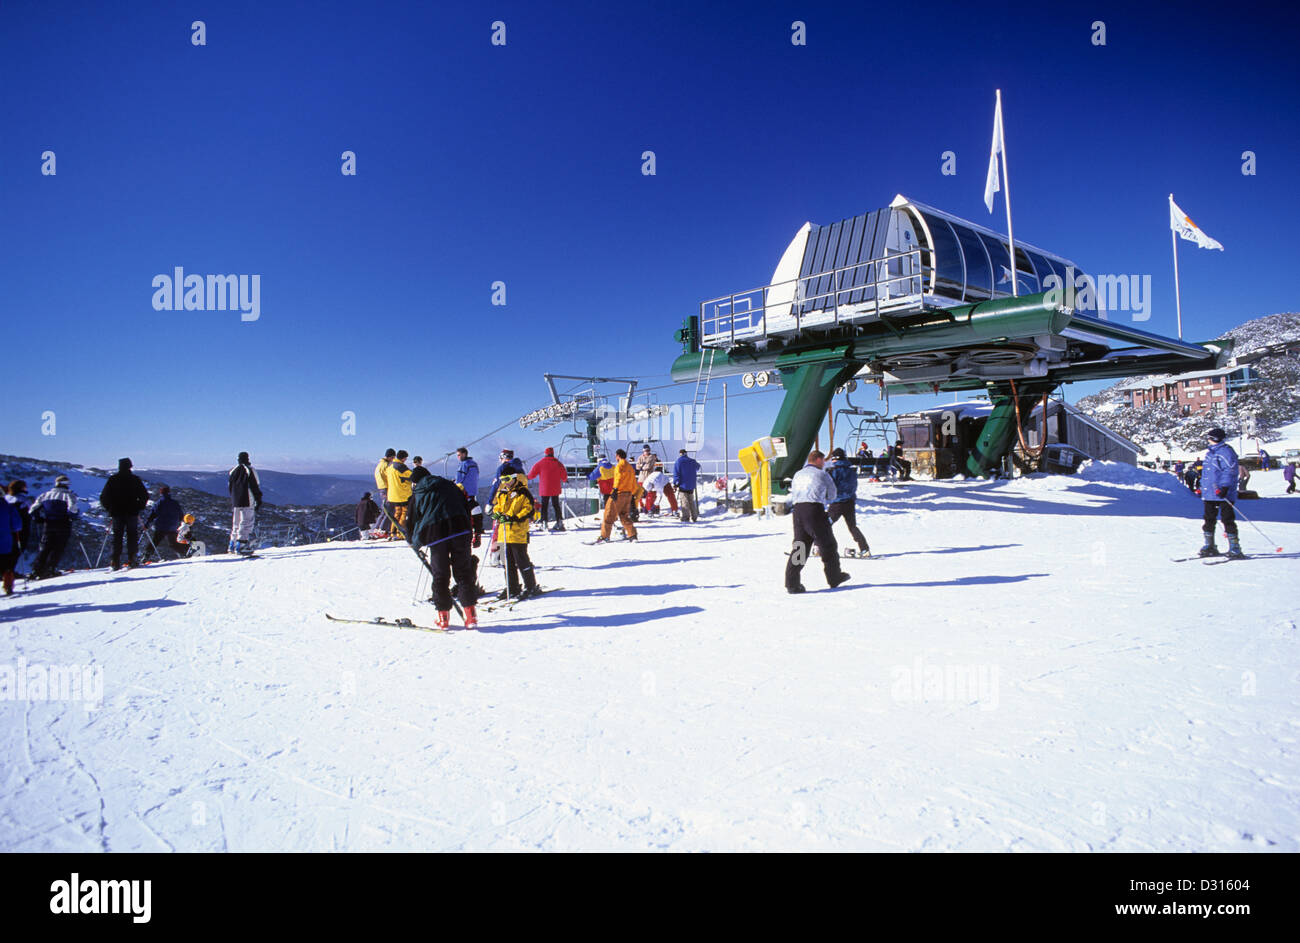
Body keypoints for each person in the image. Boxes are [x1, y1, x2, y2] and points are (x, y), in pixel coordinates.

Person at [406, 472, 480, 628]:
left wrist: (413, 542)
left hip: (436, 535)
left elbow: (412, 520)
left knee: (440, 575)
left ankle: (443, 618)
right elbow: (466, 507)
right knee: (463, 572)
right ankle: (471, 616)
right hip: (460, 529)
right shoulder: (451, 486)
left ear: (416, 483)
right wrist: (470, 531)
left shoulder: (418, 493)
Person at [784, 451, 850, 594]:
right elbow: (832, 494)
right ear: (818, 459)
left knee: (800, 546)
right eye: (823, 461)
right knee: (828, 544)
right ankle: (834, 577)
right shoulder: (822, 474)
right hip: (814, 510)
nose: (824, 464)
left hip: (798, 511)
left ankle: (792, 583)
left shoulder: (798, 474)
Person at [491, 472, 542, 600]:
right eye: (502, 479)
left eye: (507, 478)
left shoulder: (523, 492)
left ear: (514, 478)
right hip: (504, 533)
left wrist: (514, 517)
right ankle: (512, 587)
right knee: (507, 563)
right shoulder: (502, 492)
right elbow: (497, 506)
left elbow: (528, 509)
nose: (505, 482)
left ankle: (530, 586)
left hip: (518, 533)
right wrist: (497, 514)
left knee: (521, 560)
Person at [1197, 428, 1243, 559]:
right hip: (1210, 493)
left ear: (1215, 438)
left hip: (1223, 493)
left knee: (1227, 519)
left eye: (1209, 437)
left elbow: (1230, 470)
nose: (1208, 439)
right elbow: (1207, 474)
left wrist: (1224, 487)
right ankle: (1209, 545)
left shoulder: (1225, 452)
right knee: (1208, 519)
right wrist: (1202, 487)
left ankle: (1235, 548)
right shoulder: (1210, 453)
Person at [99, 458, 149, 570]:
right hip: (132, 512)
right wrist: (139, 507)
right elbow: (144, 496)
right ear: (130, 466)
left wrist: (110, 509)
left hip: (117, 513)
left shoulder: (113, 479)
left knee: (117, 537)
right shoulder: (135, 479)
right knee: (132, 536)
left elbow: (103, 497)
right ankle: (132, 559)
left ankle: (115, 561)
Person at [30, 474, 80, 578]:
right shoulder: (68, 495)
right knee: (58, 547)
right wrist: (73, 517)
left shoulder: (45, 495)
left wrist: (38, 519)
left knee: (45, 547)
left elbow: (33, 510)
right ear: (66, 485)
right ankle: (50, 569)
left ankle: (36, 569)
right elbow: (73, 510)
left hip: (48, 523)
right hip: (63, 523)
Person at [825, 448, 870, 557]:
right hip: (850, 502)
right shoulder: (851, 471)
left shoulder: (833, 471)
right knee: (852, 527)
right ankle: (865, 549)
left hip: (837, 503)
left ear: (835, 458)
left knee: (824, 525)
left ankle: (819, 547)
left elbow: (829, 486)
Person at [596, 449, 638, 543]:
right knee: (624, 515)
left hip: (619, 492)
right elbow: (633, 481)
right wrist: (633, 492)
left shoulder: (619, 466)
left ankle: (604, 536)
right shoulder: (630, 467)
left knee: (608, 514)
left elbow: (618, 477)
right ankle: (632, 535)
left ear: (618, 455)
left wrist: (615, 489)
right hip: (628, 493)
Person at [228, 451, 263, 555]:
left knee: (236, 523)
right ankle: (241, 545)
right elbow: (255, 485)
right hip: (247, 500)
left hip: (235, 500)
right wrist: (258, 498)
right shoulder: (250, 470)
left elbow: (230, 486)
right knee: (246, 522)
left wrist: (234, 498)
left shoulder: (233, 470)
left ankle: (232, 545)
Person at [528, 447, 569, 531]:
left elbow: (532, 474)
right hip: (555, 488)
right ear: (553, 453)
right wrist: (565, 480)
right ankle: (559, 522)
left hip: (545, 488)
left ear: (545, 454)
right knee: (556, 505)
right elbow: (563, 474)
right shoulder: (558, 463)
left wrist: (527, 477)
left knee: (544, 506)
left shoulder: (540, 463)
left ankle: (544, 523)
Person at [141, 485, 185, 560]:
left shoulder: (159, 503)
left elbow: (153, 514)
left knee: (155, 541)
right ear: (169, 492)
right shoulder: (175, 503)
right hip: (172, 526)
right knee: (173, 543)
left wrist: (146, 525)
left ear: (161, 493)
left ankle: (146, 556)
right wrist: (181, 524)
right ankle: (185, 553)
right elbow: (181, 515)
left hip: (161, 526)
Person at [454, 447, 484, 546]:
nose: (458, 457)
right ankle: (477, 532)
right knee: (475, 513)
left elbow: (459, 479)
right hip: (473, 493)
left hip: (464, 493)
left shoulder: (463, 465)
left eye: (458, 455)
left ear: (463, 454)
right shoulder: (474, 464)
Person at [1, 483, 23, 595]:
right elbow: (17, 526)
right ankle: (8, 585)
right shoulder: (9, 507)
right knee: (7, 565)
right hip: (5, 542)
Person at [385, 450, 413, 536]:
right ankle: (400, 533)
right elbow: (412, 476)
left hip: (393, 494)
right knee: (404, 513)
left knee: (397, 514)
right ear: (404, 458)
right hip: (402, 494)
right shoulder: (401, 467)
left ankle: (392, 532)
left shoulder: (390, 466)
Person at [672, 449, 701, 522]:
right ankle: (694, 516)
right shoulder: (692, 461)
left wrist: (676, 483)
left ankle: (685, 517)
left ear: (680, 454)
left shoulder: (678, 461)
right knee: (691, 501)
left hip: (683, 484)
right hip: (691, 484)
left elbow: (676, 474)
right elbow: (698, 467)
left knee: (684, 501)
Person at [373, 448, 395, 519]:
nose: (393, 460)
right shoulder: (387, 465)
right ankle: (383, 526)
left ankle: (380, 525)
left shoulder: (379, 465)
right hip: (387, 487)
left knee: (385, 506)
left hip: (381, 487)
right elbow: (391, 476)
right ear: (390, 457)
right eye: (393, 458)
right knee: (389, 508)